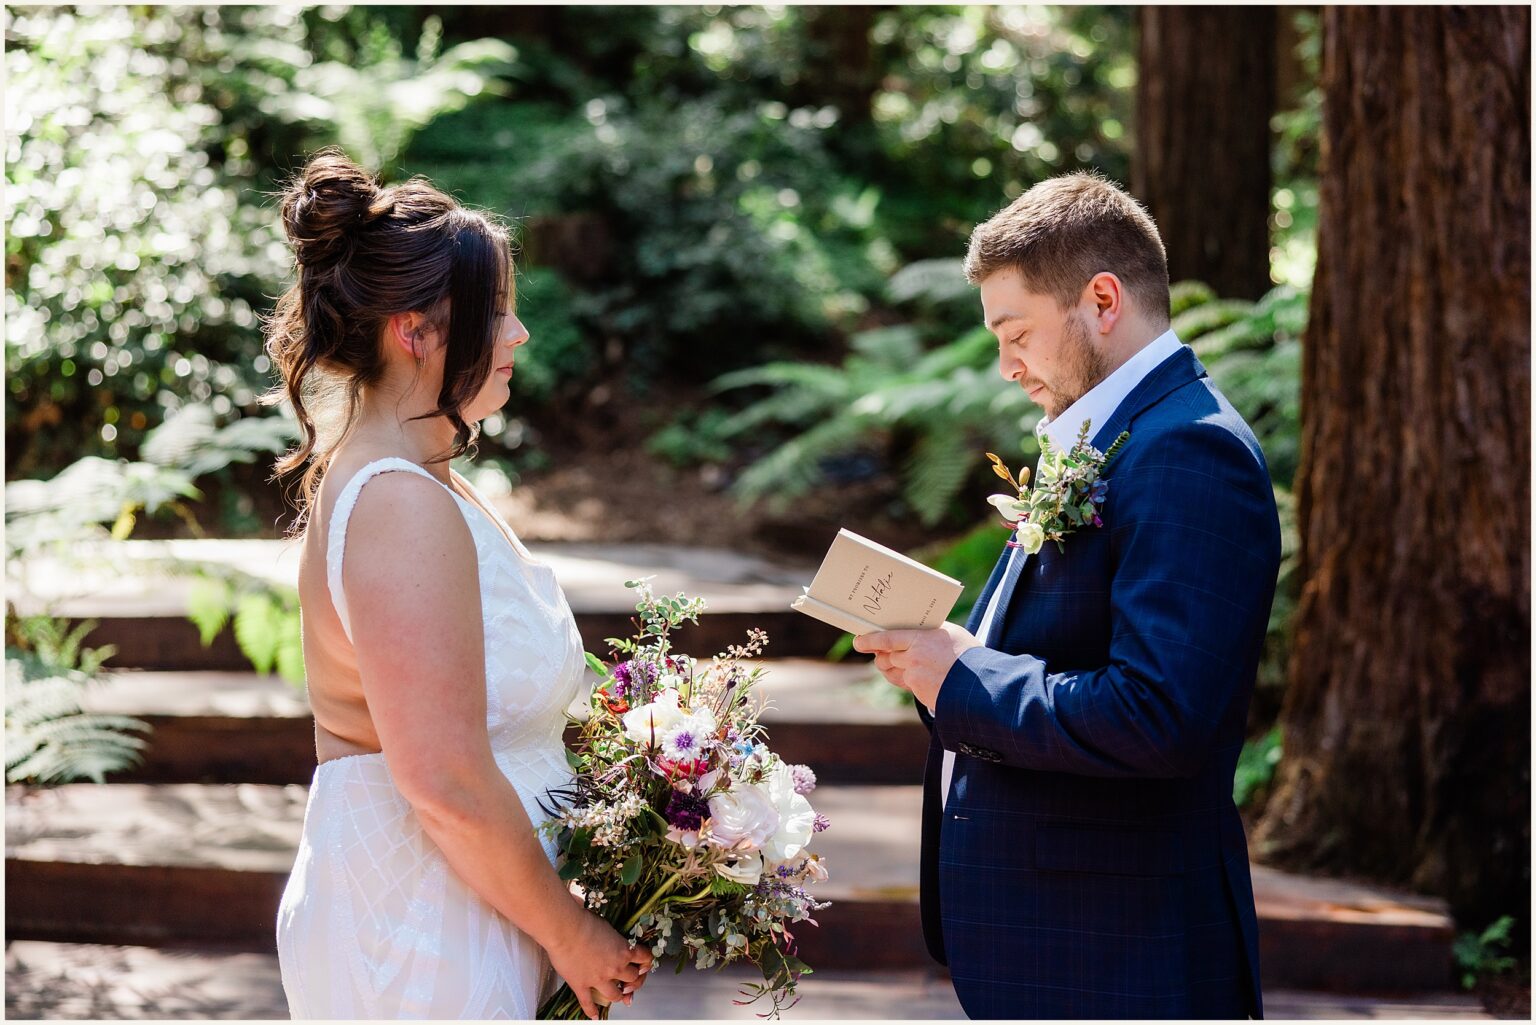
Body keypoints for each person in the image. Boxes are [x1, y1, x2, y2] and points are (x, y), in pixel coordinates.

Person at [855, 172, 1280, 1019]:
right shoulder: (1105, 434)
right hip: (1060, 943)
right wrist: (942, 658)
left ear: (1102, 299)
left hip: (1125, 957)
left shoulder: (1189, 451)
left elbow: (1160, 714)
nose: (1006, 366)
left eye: (1016, 333)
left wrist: (964, 678)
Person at [268, 148, 651, 1020]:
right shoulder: (397, 499)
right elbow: (442, 777)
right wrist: (571, 933)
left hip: (470, 908)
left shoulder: (428, 477)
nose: (517, 335)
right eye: (500, 313)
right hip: (420, 927)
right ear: (416, 330)